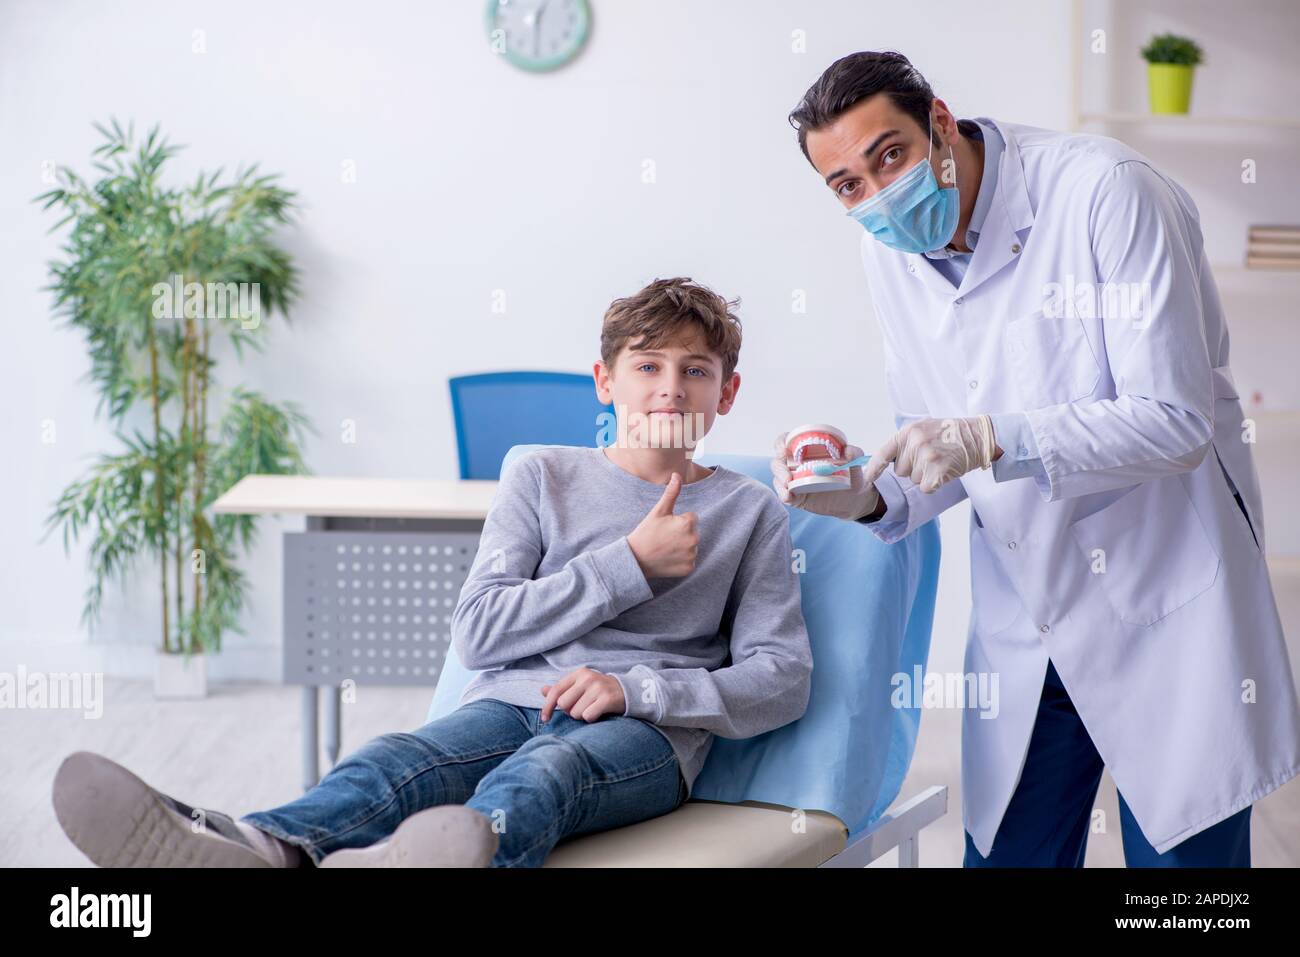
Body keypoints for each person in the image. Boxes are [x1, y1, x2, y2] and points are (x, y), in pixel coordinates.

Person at [53, 276, 812, 868]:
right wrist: (628, 566)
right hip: (514, 701)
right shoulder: (541, 474)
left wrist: (635, 688)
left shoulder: (749, 511)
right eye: (647, 364)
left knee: (548, 772)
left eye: (695, 369)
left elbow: (781, 677)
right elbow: (479, 634)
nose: (670, 387)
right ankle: (262, 848)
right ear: (604, 381)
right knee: (400, 760)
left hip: (648, 733)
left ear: (727, 392)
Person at [772, 50, 1299, 866]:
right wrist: (867, 497)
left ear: (940, 122)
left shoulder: (1108, 192)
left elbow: (1173, 421)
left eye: (891, 154)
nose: (877, 194)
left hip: (1165, 600)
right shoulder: (885, 252)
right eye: (847, 184)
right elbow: (933, 440)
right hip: (1031, 618)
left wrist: (993, 437)